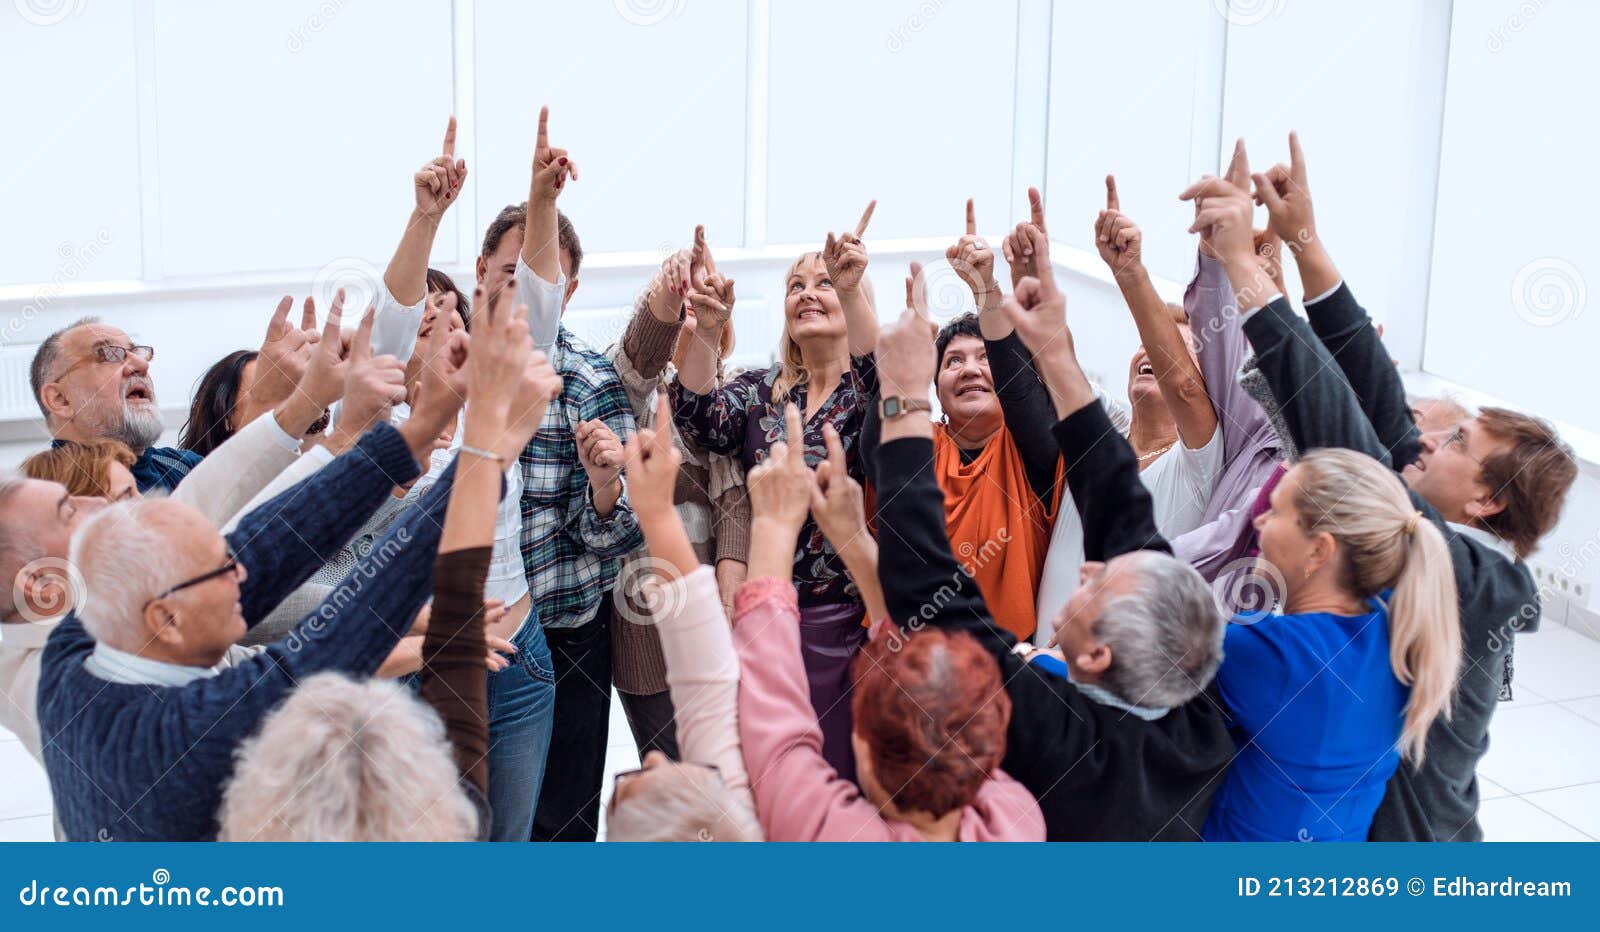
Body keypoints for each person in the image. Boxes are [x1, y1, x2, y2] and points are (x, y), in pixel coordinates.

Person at [1191, 132, 1577, 841]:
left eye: (1457, 442)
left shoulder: (1480, 581)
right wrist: (1306, 245)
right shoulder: (1437, 532)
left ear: (1489, 500)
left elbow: (1347, 433)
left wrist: (1246, 270)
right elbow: (1380, 401)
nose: (1428, 438)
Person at [33, 295, 500, 842]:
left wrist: (412, 434)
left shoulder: (74, 655)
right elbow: (319, 647)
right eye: (111, 353)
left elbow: (263, 540)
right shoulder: (191, 729)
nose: (240, 572)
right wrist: (490, 447)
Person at [872, 257, 1233, 840]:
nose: (1086, 567)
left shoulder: (1063, 741)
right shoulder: (1195, 719)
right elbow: (1120, 504)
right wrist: (1055, 353)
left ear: (1093, 661)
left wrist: (902, 394)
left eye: (1094, 585)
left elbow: (924, 585)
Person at [218, 283, 560, 842]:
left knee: (496, 838)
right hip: (406, 659)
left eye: (445, 315)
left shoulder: (485, 404)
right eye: (420, 321)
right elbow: (279, 589)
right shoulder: (376, 432)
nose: (436, 321)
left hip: (510, 649)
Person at [732, 405, 1037, 841]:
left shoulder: (831, 834)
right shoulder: (1016, 818)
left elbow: (778, 738)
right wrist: (852, 539)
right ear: (991, 747)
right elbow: (779, 742)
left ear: (863, 754)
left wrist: (774, 523)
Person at [670, 201, 880, 780]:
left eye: (823, 284)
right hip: (766, 616)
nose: (809, 293)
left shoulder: (866, 395)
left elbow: (888, 380)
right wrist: (709, 327)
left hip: (844, 620)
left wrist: (853, 288)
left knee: (832, 779)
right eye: (796, 285)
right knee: (769, 779)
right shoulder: (761, 391)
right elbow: (695, 414)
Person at [859, 201, 1061, 641]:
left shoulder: (1029, 448)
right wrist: (901, 369)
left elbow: (1024, 393)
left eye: (984, 359)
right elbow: (878, 451)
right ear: (935, 388)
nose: (970, 369)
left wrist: (987, 290)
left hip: (1011, 666)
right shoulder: (922, 446)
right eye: (953, 361)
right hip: (913, 658)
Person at [606, 226, 750, 761]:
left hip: (714, 609)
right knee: (667, 774)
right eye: (683, 301)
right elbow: (638, 360)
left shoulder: (732, 391)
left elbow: (733, 495)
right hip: (640, 616)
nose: (693, 309)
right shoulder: (629, 382)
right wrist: (665, 301)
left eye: (704, 301)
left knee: (722, 772)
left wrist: (733, 584)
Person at [605, 395, 763, 842]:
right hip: (646, 621)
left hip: (685, 599)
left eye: (623, 791)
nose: (649, 764)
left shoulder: (724, 406)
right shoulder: (627, 387)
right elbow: (708, 695)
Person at [30, 294, 324, 492]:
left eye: (137, 352)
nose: (141, 364)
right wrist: (267, 400)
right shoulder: (45, 495)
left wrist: (312, 395)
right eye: (109, 354)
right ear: (60, 399)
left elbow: (247, 507)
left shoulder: (182, 466)